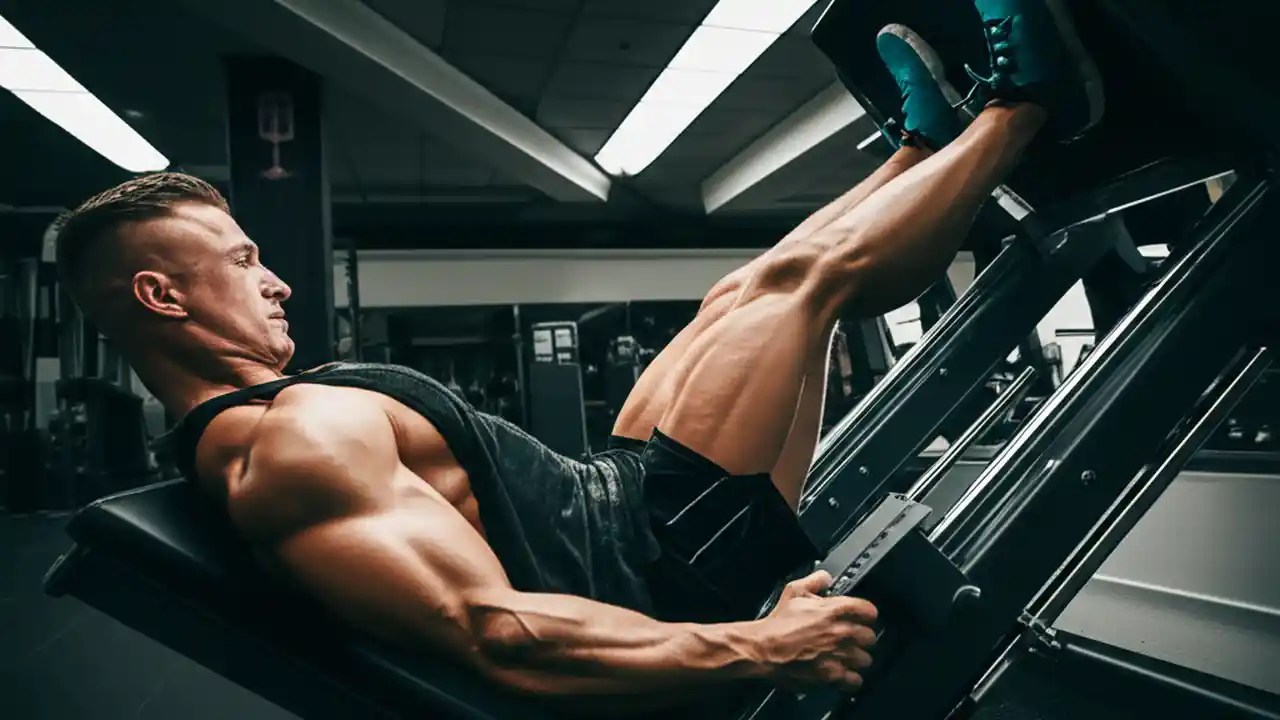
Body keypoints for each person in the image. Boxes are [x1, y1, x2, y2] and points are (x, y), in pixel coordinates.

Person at [53, 1, 1101, 715]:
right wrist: (763, 645)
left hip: (622, 504)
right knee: (799, 291)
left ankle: (928, 147)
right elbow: (493, 635)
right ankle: (1030, 106)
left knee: (742, 291)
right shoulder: (283, 453)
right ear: (162, 296)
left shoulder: (283, 417)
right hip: (664, 568)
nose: (275, 280)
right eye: (243, 261)